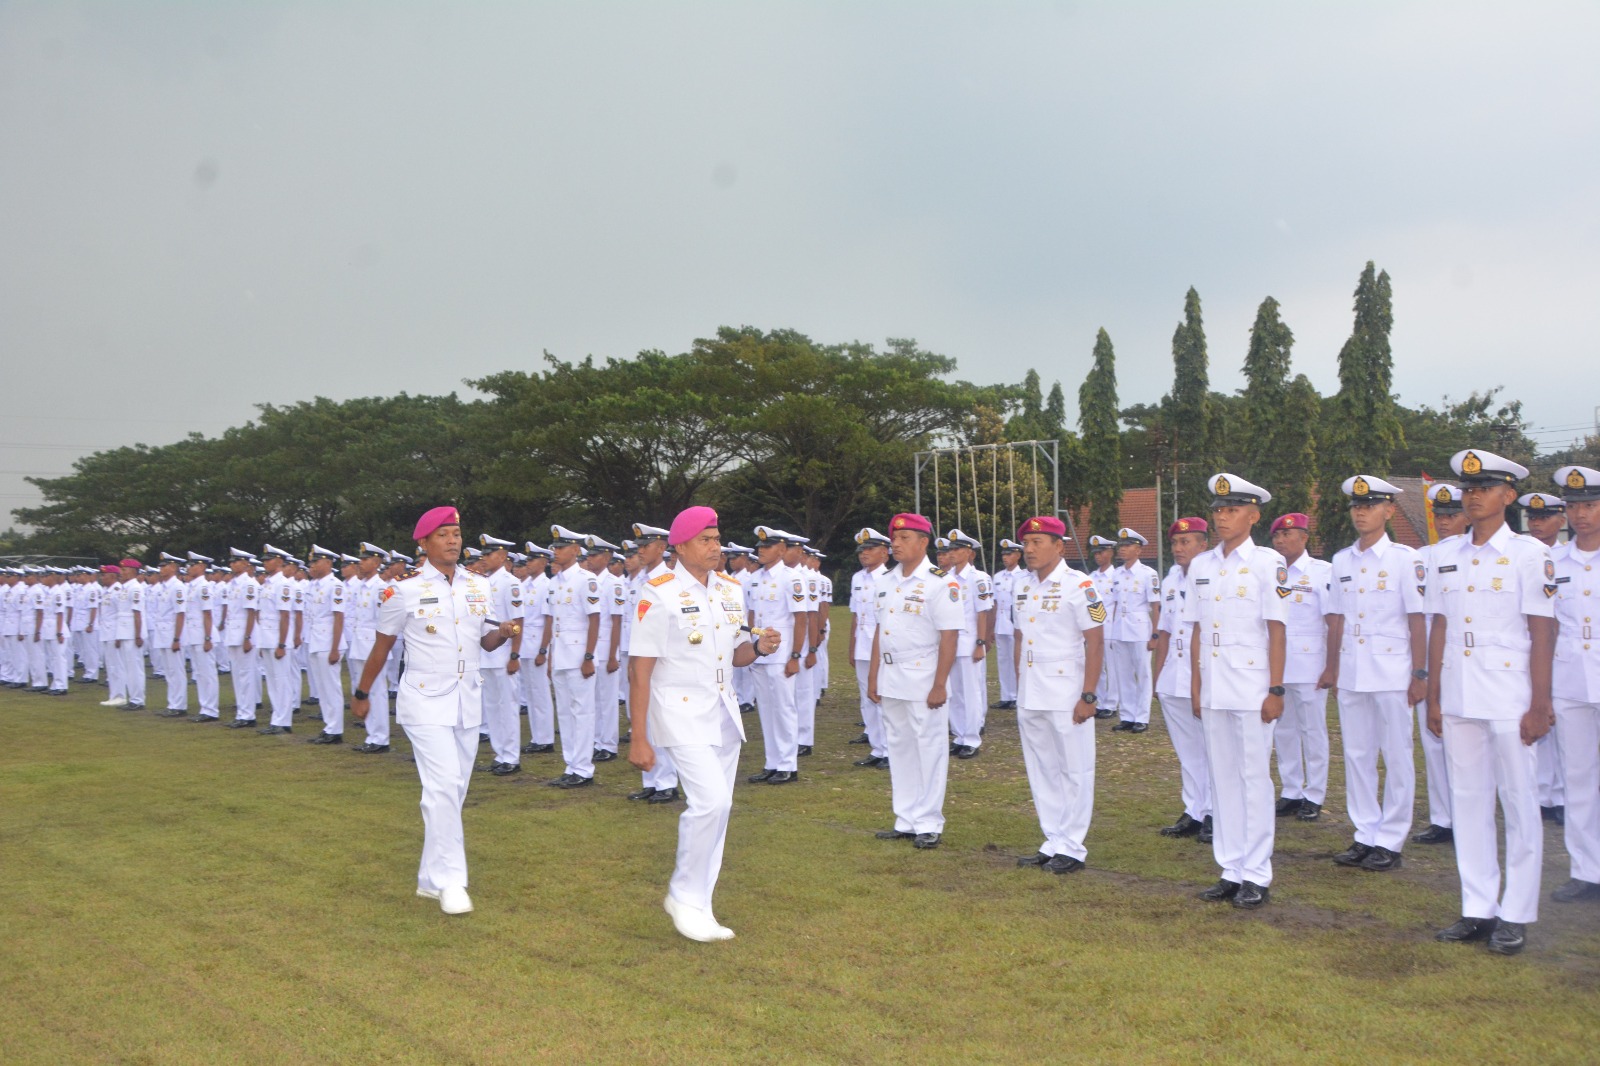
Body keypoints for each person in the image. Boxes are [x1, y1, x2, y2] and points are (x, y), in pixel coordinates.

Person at [350, 506, 519, 916]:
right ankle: (452, 882)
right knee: (442, 787)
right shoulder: (403, 591)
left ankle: (429, 878)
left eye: (456, 534)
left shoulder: (477, 585)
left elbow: (484, 640)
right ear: (423, 543)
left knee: (452, 791)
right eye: (443, 535)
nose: (453, 541)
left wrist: (502, 633)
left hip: (467, 697)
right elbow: (382, 647)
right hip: (424, 698)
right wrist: (362, 691)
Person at [628, 506, 781, 941]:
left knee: (721, 810)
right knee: (711, 803)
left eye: (717, 539)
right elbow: (639, 670)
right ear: (679, 546)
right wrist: (639, 737)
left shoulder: (730, 589)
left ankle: (700, 905)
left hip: (722, 709)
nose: (716, 547)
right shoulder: (657, 593)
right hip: (678, 709)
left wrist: (760, 648)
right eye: (705, 540)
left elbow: (736, 655)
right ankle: (682, 895)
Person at [1427, 449, 1555, 956]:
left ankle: (1516, 913)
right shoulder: (1446, 554)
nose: (1473, 496)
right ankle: (1477, 907)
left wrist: (1539, 703)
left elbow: (1542, 632)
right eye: (1468, 488)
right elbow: (1440, 626)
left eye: (1484, 488)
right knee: (1469, 801)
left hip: (1509, 694)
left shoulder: (1528, 554)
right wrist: (1434, 696)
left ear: (1509, 495)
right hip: (1459, 691)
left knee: (1520, 802)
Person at [1185, 473, 1289, 910]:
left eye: (1232, 510)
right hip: (1214, 686)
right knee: (1222, 778)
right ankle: (1230, 868)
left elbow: (1277, 630)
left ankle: (1256, 873)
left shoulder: (1268, 563)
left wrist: (1276, 689)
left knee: (1253, 780)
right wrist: (1196, 687)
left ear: (1254, 516)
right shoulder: (1202, 566)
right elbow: (1196, 630)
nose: (1222, 517)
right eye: (1219, 510)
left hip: (1252, 687)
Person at [1327, 476, 1427, 872]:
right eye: (1356, 506)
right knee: (1357, 754)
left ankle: (1391, 839)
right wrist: (1333, 668)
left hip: (1393, 671)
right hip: (1353, 669)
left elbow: (1417, 619)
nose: (1361, 512)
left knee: (1397, 754)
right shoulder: (1341, 560)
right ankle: (1365, 832)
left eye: (1369, 505)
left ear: (1388, 511)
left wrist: (1420, 673)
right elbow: (1336, 618)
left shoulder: (1405, 559)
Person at [1010, 516, 1106, 874]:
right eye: (1026, 543)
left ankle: (1072, 846)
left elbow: (1095, 642)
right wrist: (1020, 684)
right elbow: (1020, 637)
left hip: (1067, 690)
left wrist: (1089, 695)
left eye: (1038, 542)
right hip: (1031, 689)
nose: (1029, 549)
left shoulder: (1079, 584)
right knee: (1042, 769)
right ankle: (1053, 839)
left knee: (1075, 768)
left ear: (1059, 546)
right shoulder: (1021, 584)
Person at [868, 513, 963, 849]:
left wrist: (940, 684)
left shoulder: (941, 583)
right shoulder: (885, 581)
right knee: (900, 747)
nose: (896, 543)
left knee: (930, 748)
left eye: (904, 537)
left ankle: (929, 822)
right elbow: (880, 630)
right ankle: (906, 819)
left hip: (924, 674)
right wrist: (873, 676)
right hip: (891, 674)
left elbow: (949, 636)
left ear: (923, 542)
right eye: (894, 537)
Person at [1549, 465, 1600, 903]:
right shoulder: (1554, 562)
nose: (1580, 514)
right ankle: (1586, 869)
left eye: (1590, 505)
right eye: (1573, 506)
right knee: (1577, 775)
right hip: (1568, 678)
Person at [1270, 512, 1335, 823]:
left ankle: (1315, 794)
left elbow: (1332, 622)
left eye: (1287, 534)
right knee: (1283, 730)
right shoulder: (1272, 571)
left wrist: (1331, 666)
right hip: (1278, 665)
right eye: (1276, 536)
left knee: (1313, 731)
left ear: (1304, 537)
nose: (1281, 541)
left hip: (1310, 666)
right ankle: (1291, 790)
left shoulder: (1322, 572)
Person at [1153, 517, 1213, 841]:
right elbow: (1164, 630)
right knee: (1187, 750)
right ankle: (1194, 810)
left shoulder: (1214, 575)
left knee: (1213, 748)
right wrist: (1157, 674)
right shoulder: (1170, 580)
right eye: (1175, 542)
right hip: (1174, 673)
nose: (1178, 548)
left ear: (1203, 545)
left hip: (1205, 673)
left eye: (1185, 542)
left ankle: (1216, 812)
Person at [1413, 483, 1466, 844]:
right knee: (1433, 740)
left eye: (1452, 515)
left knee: (1465, 743)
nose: (1444, 521)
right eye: (1440, 515)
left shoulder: (1471, 554)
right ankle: (1442, 817)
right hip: (1430, 656)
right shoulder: (1421, 556)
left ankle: (1466, 815)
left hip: (1462, 655)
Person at [1519, 490, 1569, 824]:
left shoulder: (1567, 557)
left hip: (1565, 654)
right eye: (1532, 518)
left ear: (1560, 520)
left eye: (1545, 517)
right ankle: (1540, 793)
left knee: (1562, 728)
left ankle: (1562, 795)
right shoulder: (1523, 556)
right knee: (1534, 719)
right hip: (1528, 651)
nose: (1537, 523)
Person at [746, 526, 808, 785]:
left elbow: (801, 619)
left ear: (781, 550)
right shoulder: (754, 578)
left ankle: (787, 765)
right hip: (760, 653)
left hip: (782, 654)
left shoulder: (791, 578)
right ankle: (771, 763)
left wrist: (795, 656)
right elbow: (751, 616)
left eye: (767, 546)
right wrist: (751, 648)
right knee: (766, 709)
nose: (761, 550)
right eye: (760, 546)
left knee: (783, 709)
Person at [542, 524, 601, 788]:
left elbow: (595, 620)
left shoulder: (586, 580)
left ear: (575, 550)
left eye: (561, 547)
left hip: (579, 656)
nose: (556, 552)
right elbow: (554, 623)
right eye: (555, 547)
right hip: (560, 655)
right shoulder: (554, 582)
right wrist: (550, 657)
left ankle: (584, 769)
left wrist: (588, 657)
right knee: (565, 713)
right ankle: (571, 765)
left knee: (583, 713)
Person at [1108, 527, 1160, 734]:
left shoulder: (1148, 574)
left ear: (1138, 550)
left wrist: (1155, 634)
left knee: (1143, 674)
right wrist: (1112, 632)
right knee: (1123, 674)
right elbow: (1114, 604)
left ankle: (1142, 717)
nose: (1122, 549)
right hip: (1120, 629)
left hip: (1139, 629)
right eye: (1121, 546)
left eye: (1127, 545)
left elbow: (1156, 606)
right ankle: (1127, 716)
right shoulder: (1117, 574)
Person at [849, 528, 893, 769]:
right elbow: (856, 615)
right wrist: (852, 646)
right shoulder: (858, 578)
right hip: (862, 644)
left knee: (883, 697)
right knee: (867, 697)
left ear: (884, 553)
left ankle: (889, 750)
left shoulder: (890, 578)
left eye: (870, 549)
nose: (864, 553)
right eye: (861, 550)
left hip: (882, 646)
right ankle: (877, 748)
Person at [300, 546, 347, 745]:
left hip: (328, 642)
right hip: (314, 640)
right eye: (311, 562)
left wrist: (335, 648)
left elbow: (338, 617)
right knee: (321, 687)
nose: (312, 566)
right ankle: (329, 726)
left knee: (331, 687)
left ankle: (335, 729)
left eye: (316, 562)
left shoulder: (335, 586)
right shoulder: (313, 585)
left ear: (328, 563)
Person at [1087, 535, 1121, 719]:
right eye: (1096, 553)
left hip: (1111, 628)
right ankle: (1100, 701)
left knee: (1112, 668)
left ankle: (1112, 703)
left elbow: (1117, 604)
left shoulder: (1117, 576)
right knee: (1097, 666)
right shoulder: (1091, 578)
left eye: (1101, 552)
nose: (1098, 556)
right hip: (1094, 628)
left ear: (1111, 552)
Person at [992, 539, 1023, 711]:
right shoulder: (997, 577)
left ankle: (1018, 695)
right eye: (1003, 554)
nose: (1005, 557)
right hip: (1000, 623)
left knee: (1016, 660)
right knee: (1003, 660)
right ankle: (1006, 696)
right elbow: (995, 602)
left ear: (1018, 555)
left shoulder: (1022, 576)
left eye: (1009, 554)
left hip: (1014, 624)